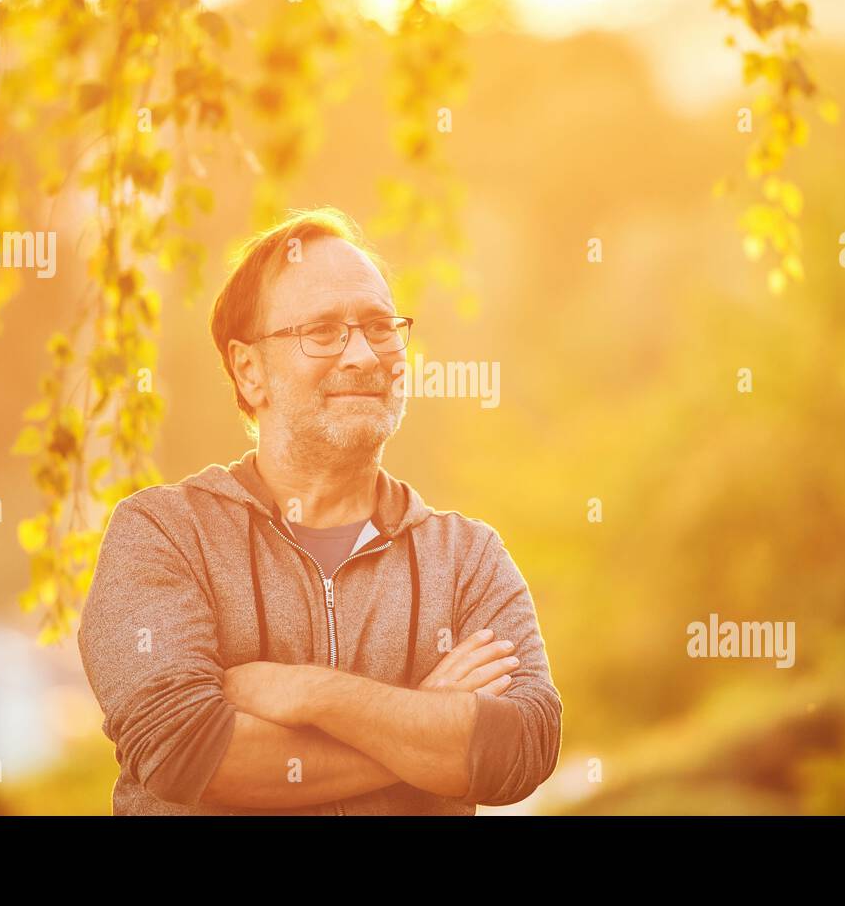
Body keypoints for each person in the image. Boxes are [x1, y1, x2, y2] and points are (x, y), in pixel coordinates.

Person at [77, 206, 562, 814]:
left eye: (381, 327)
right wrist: (424, 721)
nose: (363, 355)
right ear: (250, 371)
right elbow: (186, 750)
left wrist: (310, 694)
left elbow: (520, 748)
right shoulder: (164, 535)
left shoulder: (466, 557)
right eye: (323, 331)